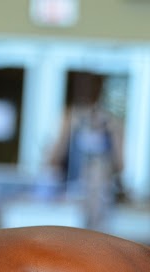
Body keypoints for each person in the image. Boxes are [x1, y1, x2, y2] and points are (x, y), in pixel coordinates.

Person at [49, 77, 124, 229]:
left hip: (100, 200)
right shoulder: (70, 119)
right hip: (72, 195)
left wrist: (113, 132)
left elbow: (120, 165)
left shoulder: (111, 123)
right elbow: (53, 161)